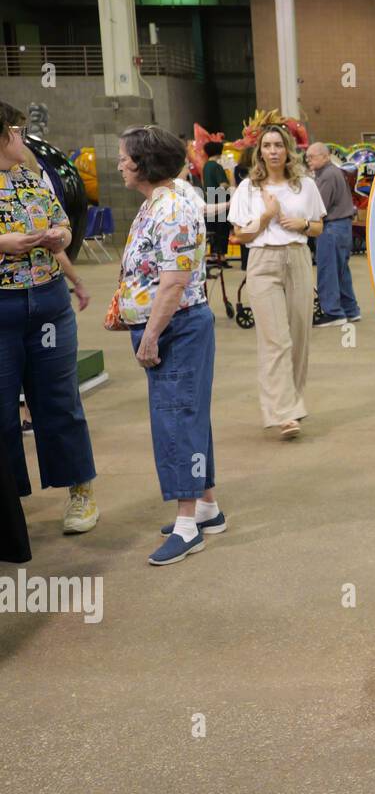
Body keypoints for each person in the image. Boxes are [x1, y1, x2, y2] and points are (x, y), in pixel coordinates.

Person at [116, 126, 222, 565]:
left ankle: (186, 527)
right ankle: (208, 509)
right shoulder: (163, 198)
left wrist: (152, 336)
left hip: (175, 328)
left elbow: (174, 283)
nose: (119, 164)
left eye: (125, 157)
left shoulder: (172, 207)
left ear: (142, 164)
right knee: (190, 414)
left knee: (176, 422)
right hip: (171, 325)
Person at [0, 100, 98, 535]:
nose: (24, 138)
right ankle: (9, 502)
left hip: (48, 302)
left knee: (60, 402)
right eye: (18, 132)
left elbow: (63, 227)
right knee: (3, 412)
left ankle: (80, 491)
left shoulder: (33, 178)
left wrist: (59, 236)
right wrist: (7, 244)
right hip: (2, 306)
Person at [227, 126, 325, 439]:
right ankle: (283, 414)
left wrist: (303, 224)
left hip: (297, 259)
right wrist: (268, 215)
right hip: (263, 263)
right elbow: (241, 234)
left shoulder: (305, 186)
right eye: (267, 146)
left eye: (278, 145)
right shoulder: (248, 189)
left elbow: (319, 227)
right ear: (259, 152)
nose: (273, 151)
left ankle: (291, 403)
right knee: (276, 340)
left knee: (299, 336)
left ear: (288, 151)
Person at [305, 142, 361, 327]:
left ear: (325, 156)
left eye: (312, 157)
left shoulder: (327, 175)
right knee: (341, 271)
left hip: (331, 228)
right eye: (308, 157)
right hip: (342, 227)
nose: (309, 160)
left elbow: (318, 206)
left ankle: (333, 312)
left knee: (328, 271)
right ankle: (350, 310)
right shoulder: (332, 172)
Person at [200, 141, 232, 265]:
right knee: (222, 230)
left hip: (209, 201)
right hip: (220, 201)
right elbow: (223, 184)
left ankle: (213, 256)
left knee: (212, 230)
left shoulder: (206, 166)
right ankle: (221, 257)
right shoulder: (217, 166)